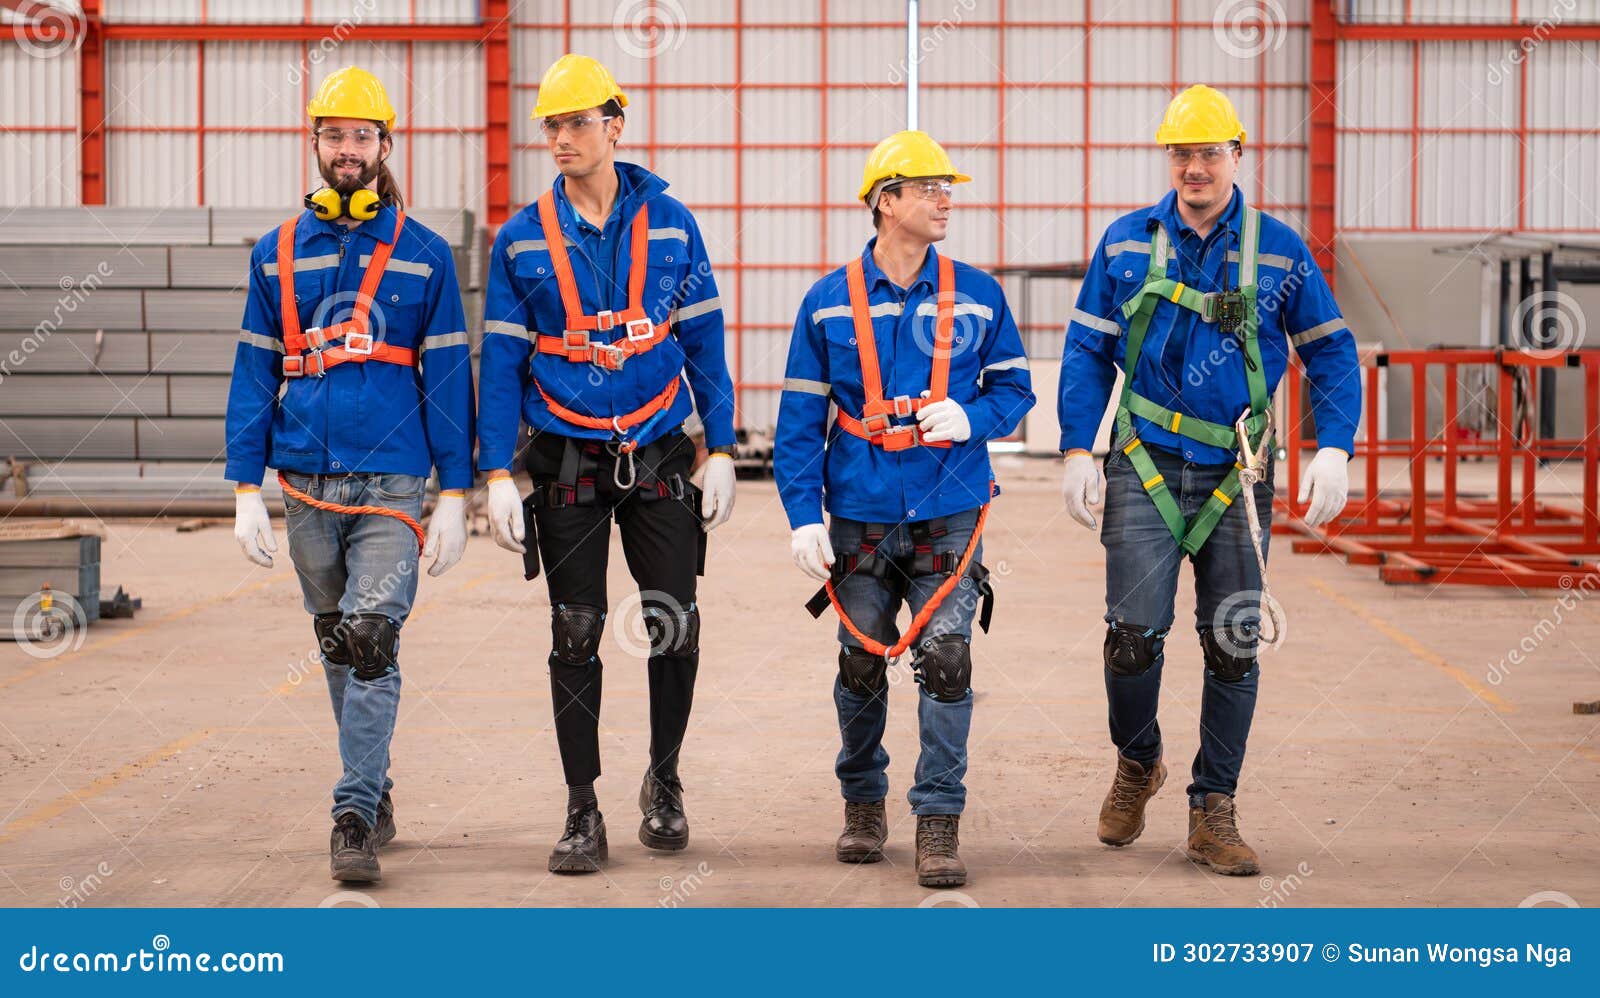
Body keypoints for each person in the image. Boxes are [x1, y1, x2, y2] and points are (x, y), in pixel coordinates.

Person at [1058, 84, 1360, 875]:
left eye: (1208, 152)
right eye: (1182, 154)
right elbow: (1088, 351)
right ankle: (1139, 760)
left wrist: (1335, 446)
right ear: (1170, 159)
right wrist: (1075, 450)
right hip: (1146, 466)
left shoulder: (1280, 251)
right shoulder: (1126, 244)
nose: (1195, 167)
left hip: (1237, 472)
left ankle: (1212, 808)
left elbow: (1329, 350)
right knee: (1132, 640)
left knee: (1233, 644)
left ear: (1238, 153)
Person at [476, 54, 737, 874]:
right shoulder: (520, 242)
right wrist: (493, 474)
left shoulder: (672, 224)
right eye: (550, 125)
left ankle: (663, 779)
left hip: (658, 451)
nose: (560, 138)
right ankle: (582, 807)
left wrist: (722, 447)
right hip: (566, 459)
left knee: (674, 625)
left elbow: (704, 341)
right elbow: (500, 366)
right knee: (575, 631)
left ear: (614, 125)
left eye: (577, 122)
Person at [226, 66, 475, 883]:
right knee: (337, 642)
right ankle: (376, 784)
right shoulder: (276, 255)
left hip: (392, 486)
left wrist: (455, 491)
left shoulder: (426, 256)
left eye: (361, 136)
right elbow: (255, 371)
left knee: (373, 640)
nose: (347, 149)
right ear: (317, 144)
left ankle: (352, 813)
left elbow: (446, 379)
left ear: (384, 147)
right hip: (303, 482)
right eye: (334, 135)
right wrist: (242, 489)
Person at [775, 131, 1034, 888]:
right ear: (886, 202)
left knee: (947, 661)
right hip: (857, 510)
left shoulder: (980, 293)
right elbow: (798, 423)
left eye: (946, 188)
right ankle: (863, 803)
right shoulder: (825, 304)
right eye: (929, 188)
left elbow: (1015, 388)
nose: (945, 199)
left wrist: (975, 418)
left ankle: (938, 819)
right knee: (860, 662)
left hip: (949, 506)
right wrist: (802, 514)